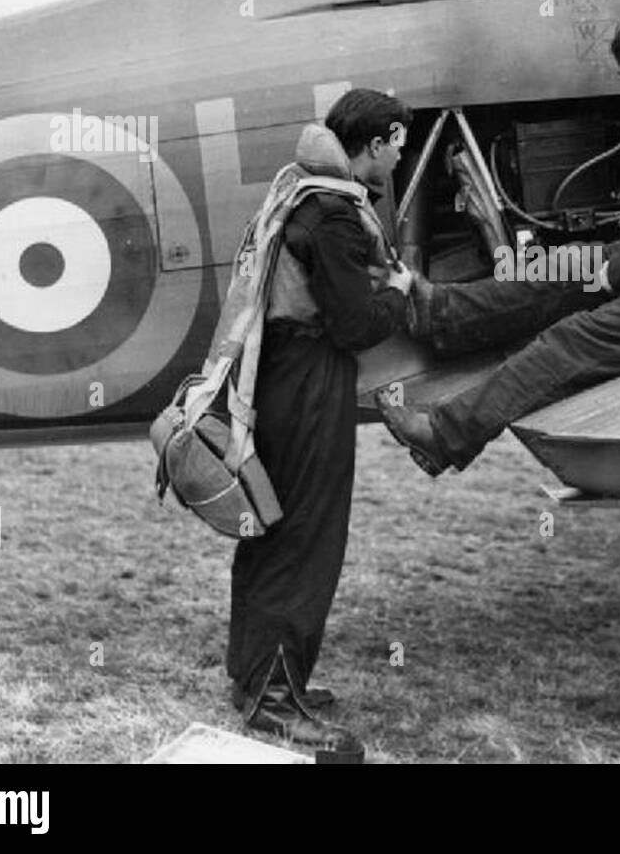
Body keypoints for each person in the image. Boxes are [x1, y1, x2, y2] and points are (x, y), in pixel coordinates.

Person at [378, 8, 620, 475]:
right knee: (566, 265)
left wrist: (614, 273)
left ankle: (445, 434)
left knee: (577, 339)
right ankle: (442, 312)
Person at [227, 89, 414, 752]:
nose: (401, 158)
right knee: (307, 537)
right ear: (381, 139)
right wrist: (399, 290)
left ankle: (257, 676)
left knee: (271, 529)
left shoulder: (299, 191)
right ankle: (275, 701)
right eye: (399, 145)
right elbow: (354, 323)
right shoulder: (334, 212)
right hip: (310, 378)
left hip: (279, 374)